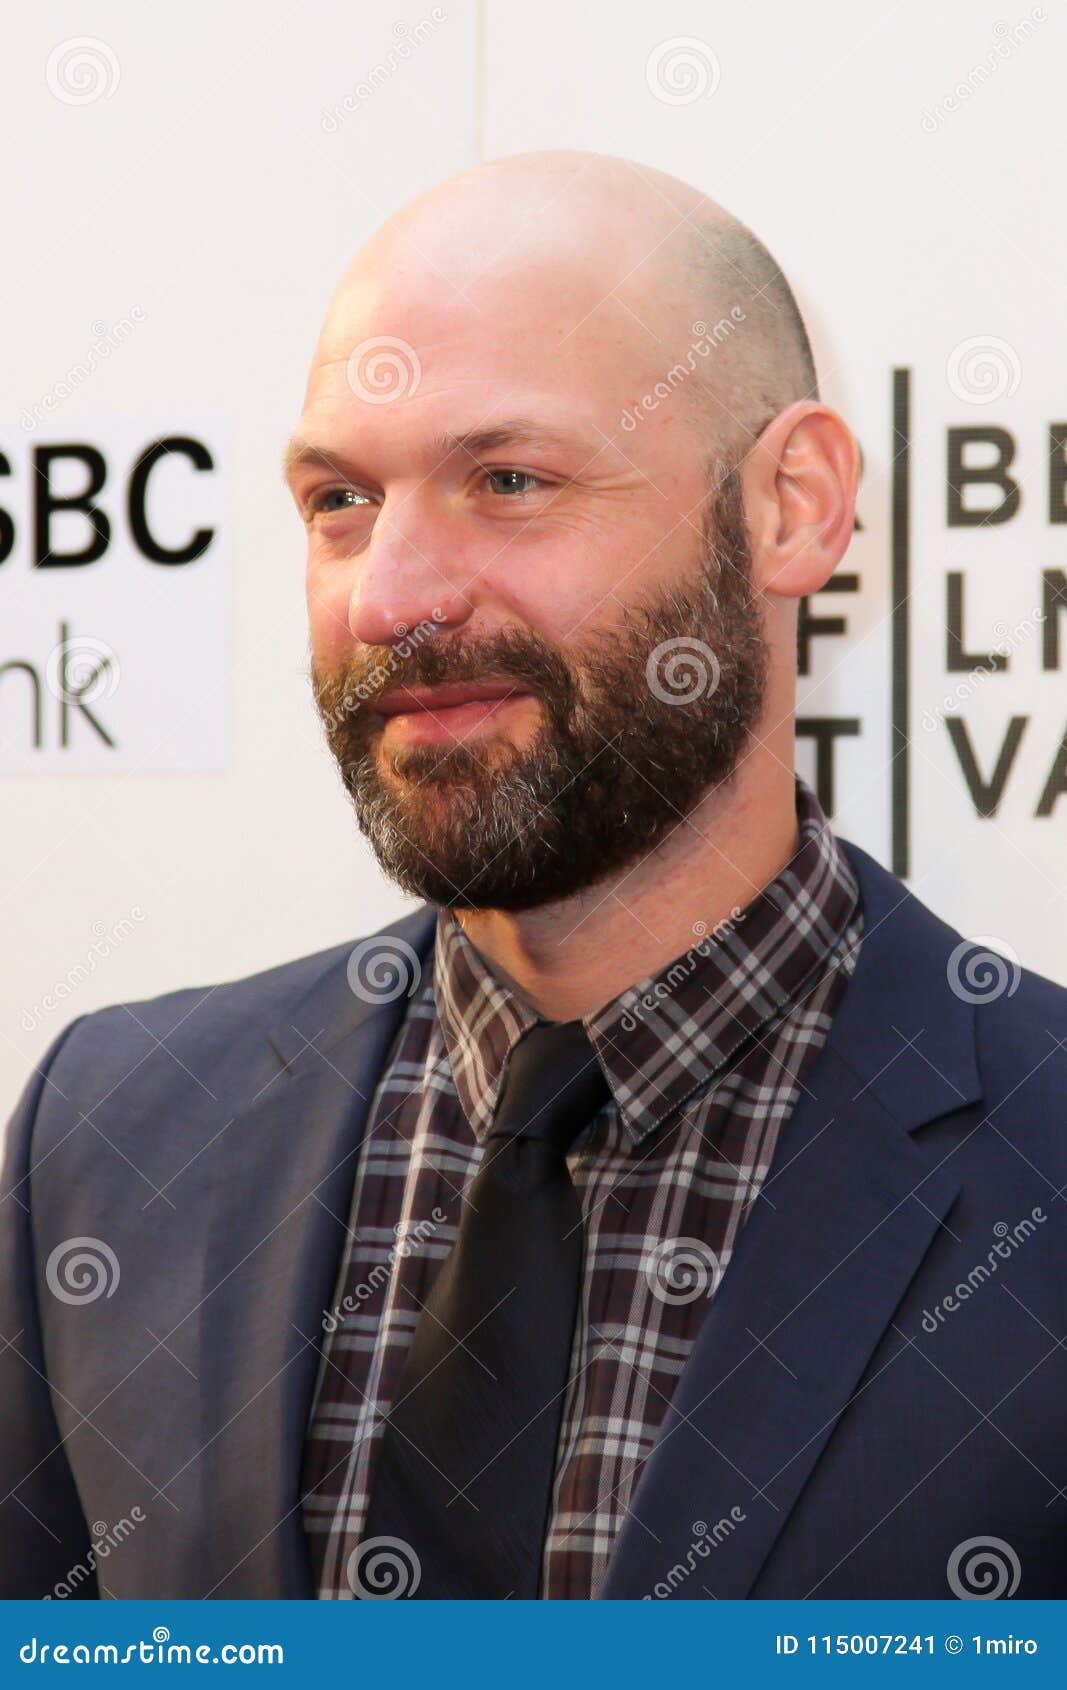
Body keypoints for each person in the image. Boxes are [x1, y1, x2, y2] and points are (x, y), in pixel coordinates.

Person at [2, 150, 1064, 1602]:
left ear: (793, 504)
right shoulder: (109, 1141)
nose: (388, 597)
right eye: (338, 499)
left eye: (509, 479)